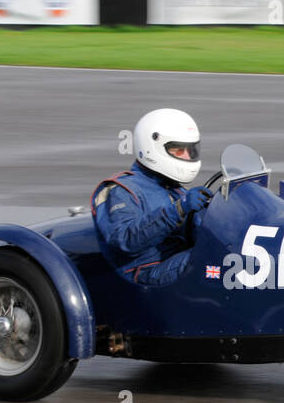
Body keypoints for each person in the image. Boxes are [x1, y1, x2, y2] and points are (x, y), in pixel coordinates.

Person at [91, 108, 213, 285]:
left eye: (191, 151)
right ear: (151, 148)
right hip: (145, 271)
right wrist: (177, 210)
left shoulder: (173, 189)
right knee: (212, 262)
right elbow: (125, 241)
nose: (187, 156)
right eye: (179, 151)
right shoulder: (122, 190)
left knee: (232, 255)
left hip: (174, 260)